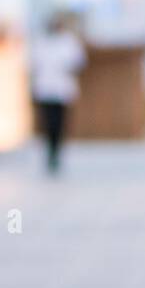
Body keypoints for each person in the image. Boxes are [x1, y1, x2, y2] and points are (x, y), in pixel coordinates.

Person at [31, 13, 86, 173]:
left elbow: (78, 62)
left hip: (62, 90)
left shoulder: (68, 41)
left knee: (60, 123)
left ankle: (57, 153)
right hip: (45, 89)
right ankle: (49, 153)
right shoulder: (41, 42)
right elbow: (33, 63)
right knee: (48, 123)